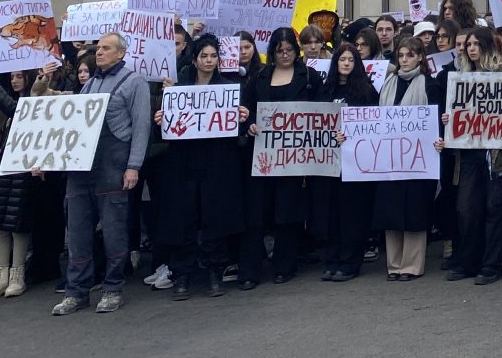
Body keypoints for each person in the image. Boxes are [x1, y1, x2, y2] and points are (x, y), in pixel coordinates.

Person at [52, 31, 152, 316]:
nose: (100, 52)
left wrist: (133, 166)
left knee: (113, 232)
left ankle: (112, 288)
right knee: (79, 232)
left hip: (113, 166)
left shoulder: (135, 82)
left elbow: (142, 127)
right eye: (98, 48)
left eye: (107, 48)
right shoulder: (89, 84)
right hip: (81, 169)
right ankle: (77, 292)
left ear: (121, 53)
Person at [153, 33, 244, 299]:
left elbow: (234, 131)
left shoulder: (227, 87)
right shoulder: (178, 90)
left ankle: (214, 271)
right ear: (194, 60)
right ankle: (182, 273)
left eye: (213, 56)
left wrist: (240, 117)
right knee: (184, 218)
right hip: (184, 163)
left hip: (217, 163)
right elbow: (166, 132)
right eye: (204, 56)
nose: (209, 60)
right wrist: (161, 119)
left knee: (214, 217)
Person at [238, 27, 322, 289]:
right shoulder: (260, 77)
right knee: (256, 213)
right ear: (272, 52)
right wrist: (249, 123)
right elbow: (246, 109)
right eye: (279, 50)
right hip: (261, 156)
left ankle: (284, 266)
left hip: (294, 158)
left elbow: (322, 111)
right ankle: (250, 270)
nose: (284, 54)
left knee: (287, 212)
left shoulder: (309, 76)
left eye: (289, 50)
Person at [449, 28, 502, 285]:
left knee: (494, 208)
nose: (472, 48)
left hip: (497, 155)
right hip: (469, 154)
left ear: (488, 47)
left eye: (477, 44)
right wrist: (449, 119)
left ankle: (491, 265)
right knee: (467, 209)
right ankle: (470, 262)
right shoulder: (461, 78)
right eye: (469, 44)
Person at [372, 35, 442, 281]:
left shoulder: (429, 85)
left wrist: (438, 138)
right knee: (391, 211)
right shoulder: (388, 83)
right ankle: (394, 264)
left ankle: (411, 265)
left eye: (410, 55)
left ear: (420, 57)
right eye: (401, 55)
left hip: (417, 160)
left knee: (414, 211)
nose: (404, 60)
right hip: (390, 159)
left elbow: (435, 121)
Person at [0, 66, 44, 301]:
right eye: (12, 77)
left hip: (23, 169)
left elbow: (20, 112)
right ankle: (0, 275)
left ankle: (17, 275)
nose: (15, 81)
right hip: (1, 169)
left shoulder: (35, 102)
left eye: (19, 77)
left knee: (18, 223)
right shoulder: (2, 109)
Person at [316, 42, 378, 281]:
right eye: (342, 59)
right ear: (335, 63)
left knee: (353, 214)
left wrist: (349, 135)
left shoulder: (366, 91)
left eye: (351, 60)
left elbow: (372, 127)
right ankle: (332, 260)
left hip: (356, 164)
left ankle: (351, 261)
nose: (346, 64)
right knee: (332, 213)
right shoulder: (325, 89)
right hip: (330, 163)